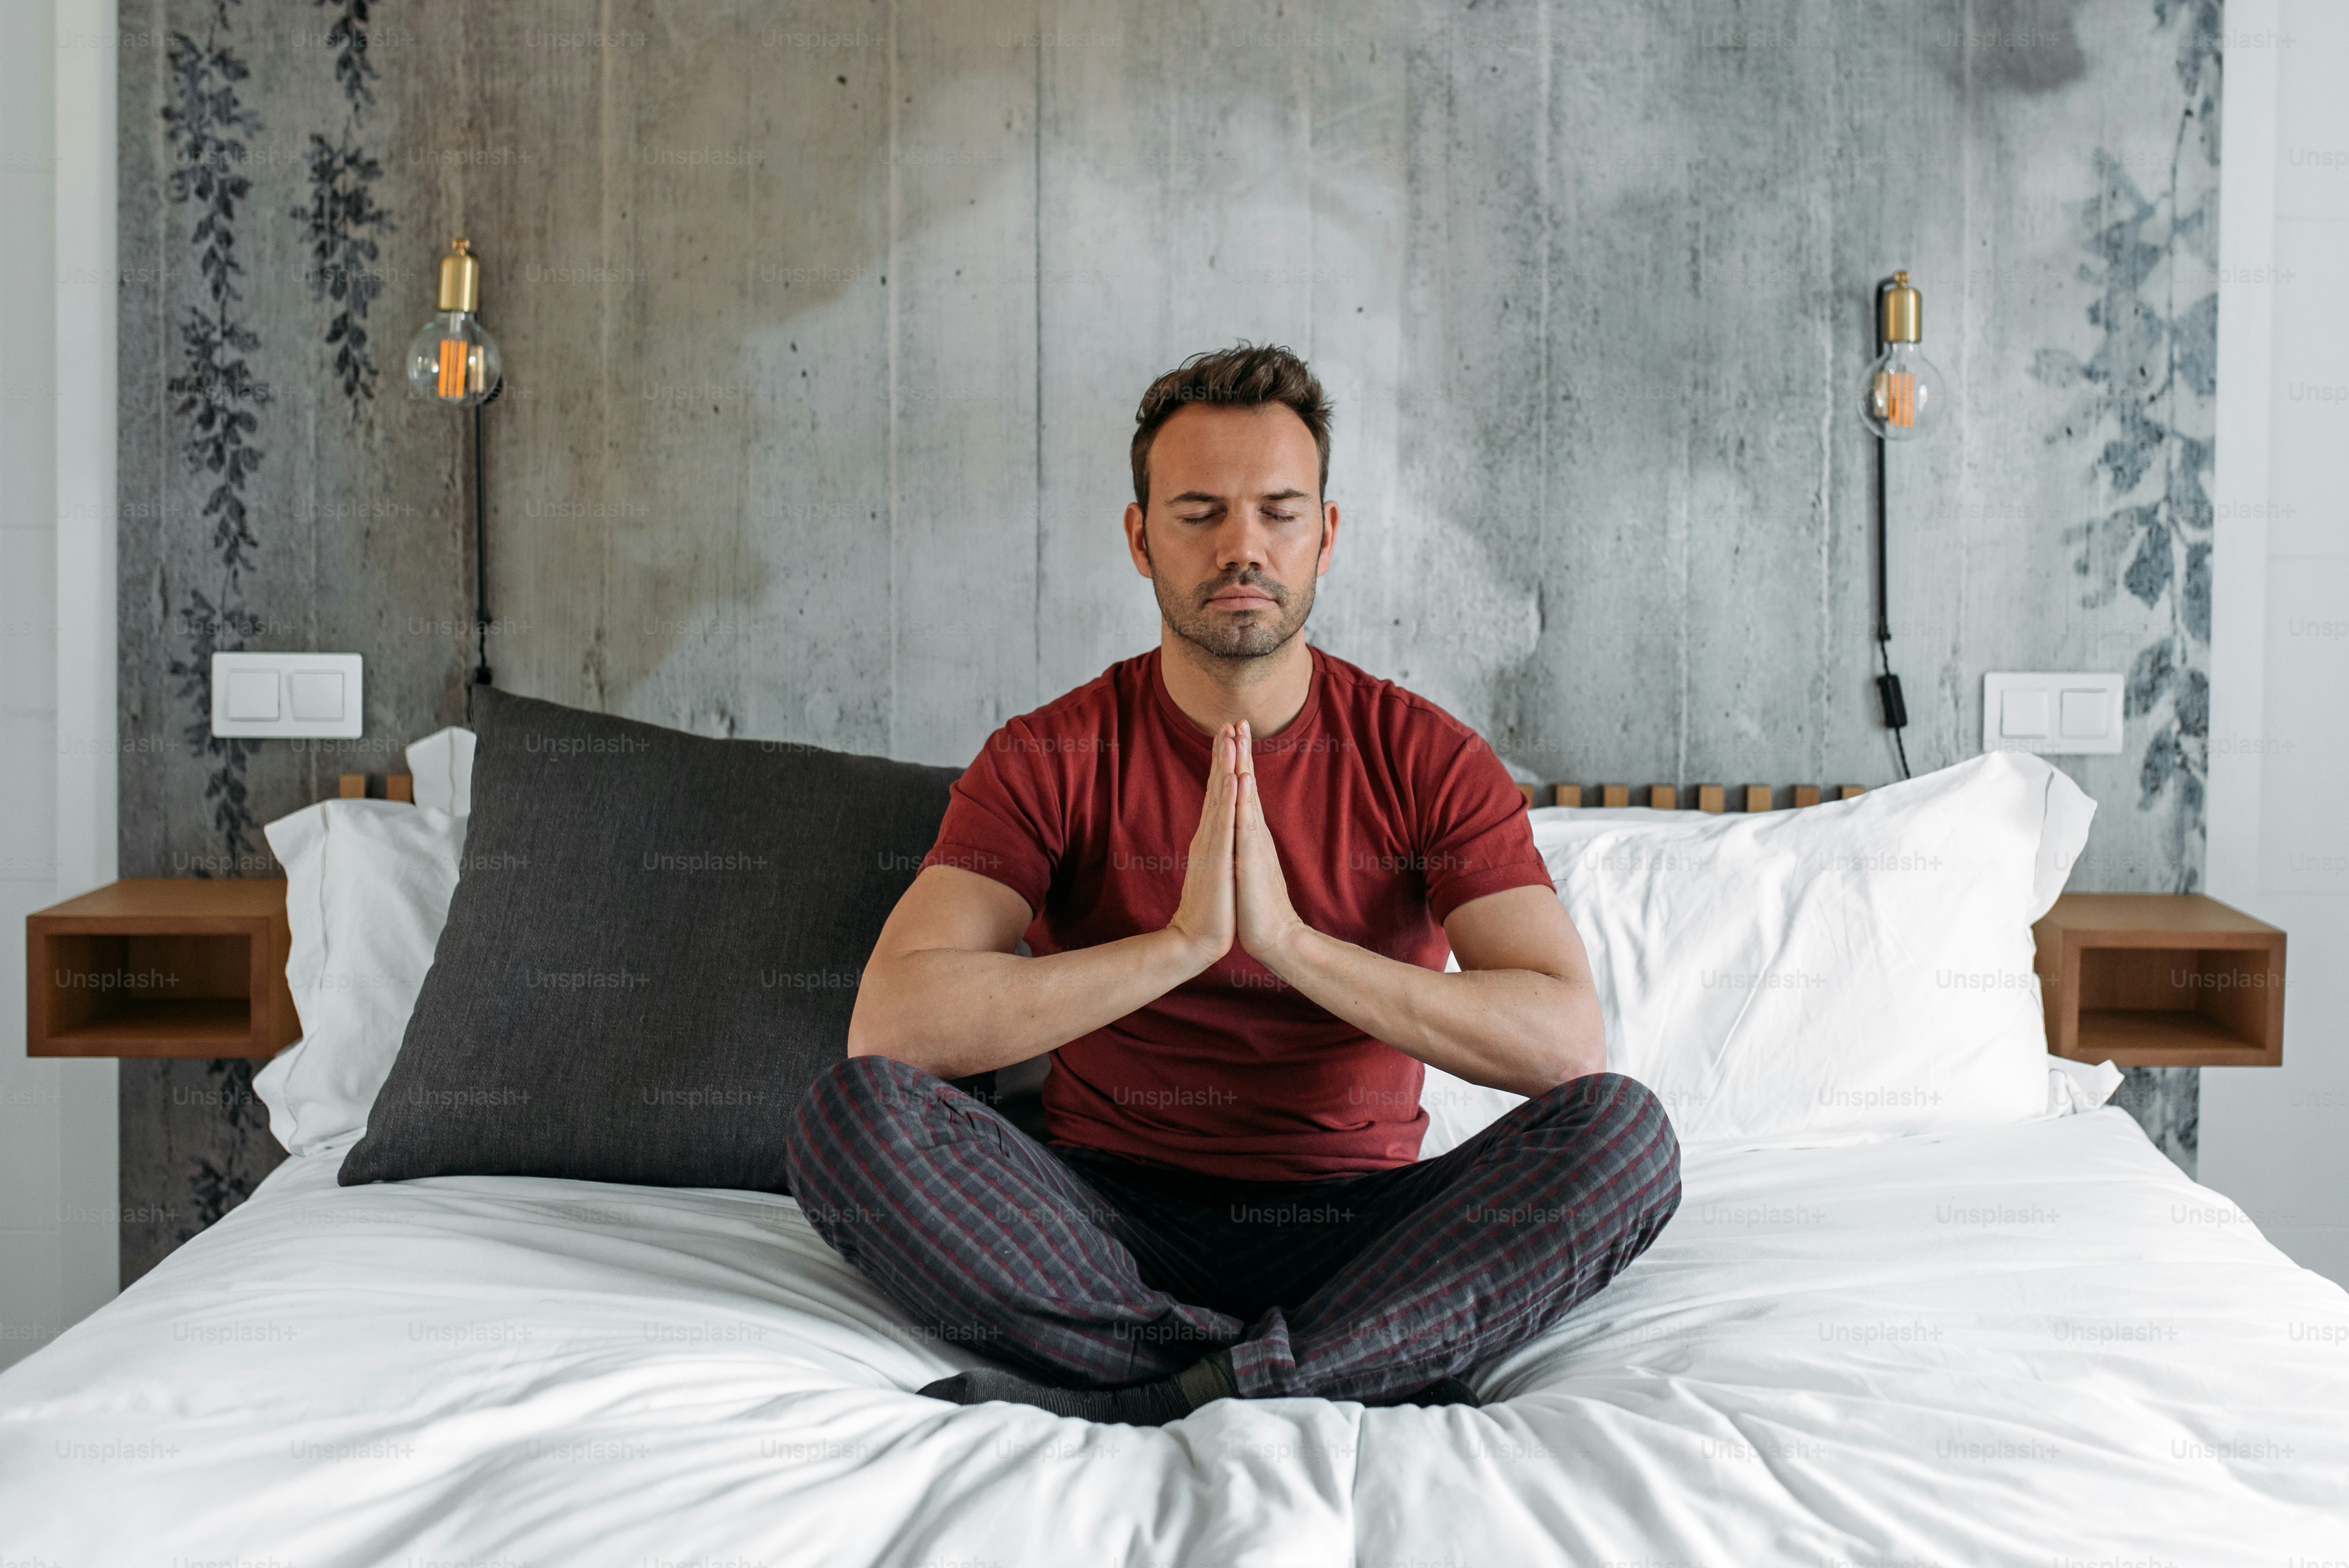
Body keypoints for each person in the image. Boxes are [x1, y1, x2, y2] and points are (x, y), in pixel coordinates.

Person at [784, 343, 1681, 1425]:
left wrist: (1293, 944)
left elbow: (1563, 1045)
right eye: (1200, 512)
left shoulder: (1428, 757)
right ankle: (1324, 1363)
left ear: (1325, 535)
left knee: (1622, 1137)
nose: (1241, 546)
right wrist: (1179, 944)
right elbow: (892, 1026)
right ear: (1140, 538)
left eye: (1278, 513)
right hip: (1104, 1220)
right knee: (849, 1117)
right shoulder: (1046, 754)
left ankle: (1169, 1383)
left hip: (1359, 1226)